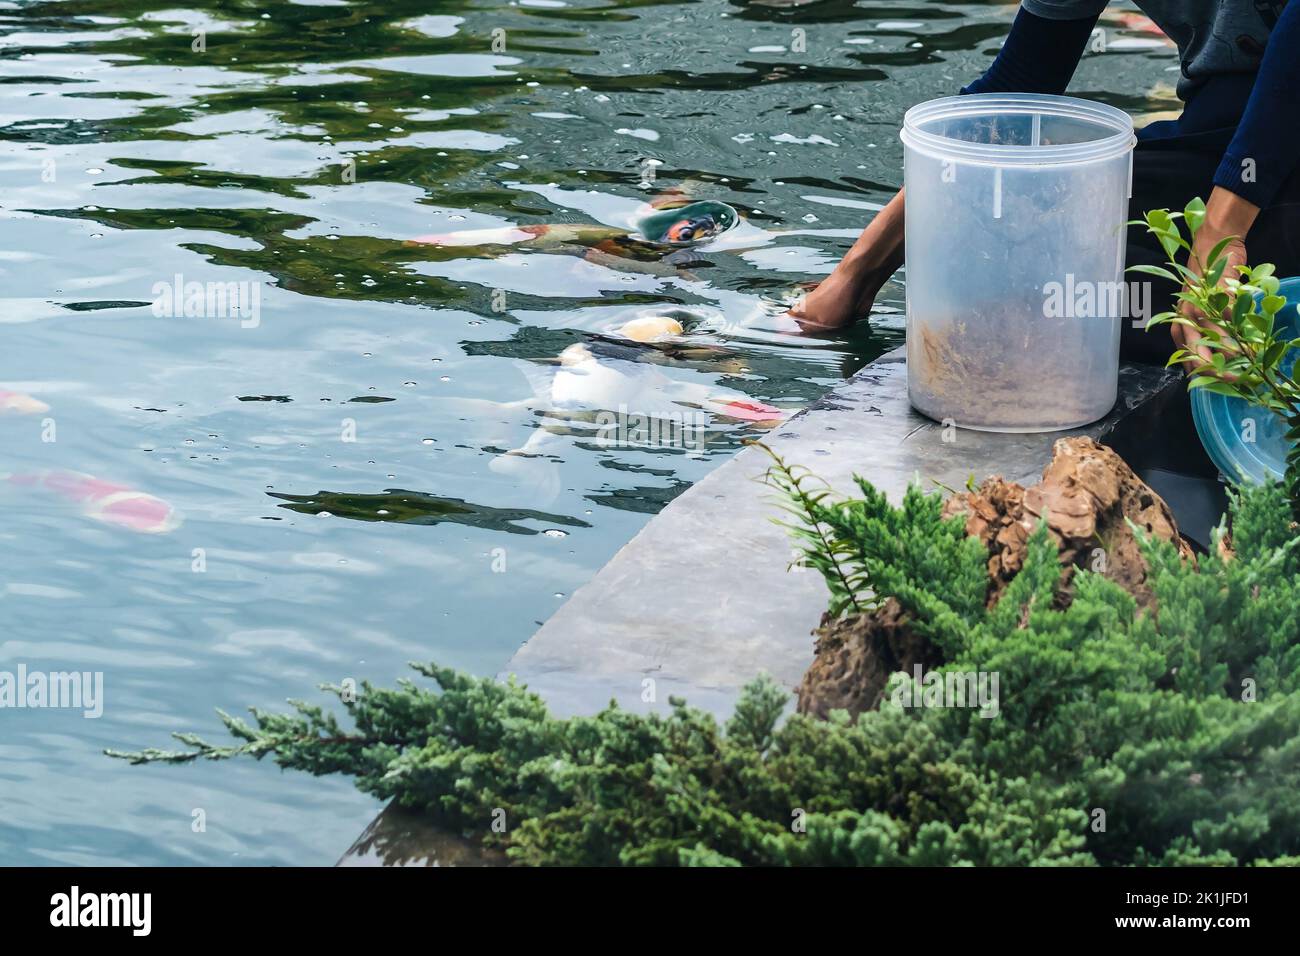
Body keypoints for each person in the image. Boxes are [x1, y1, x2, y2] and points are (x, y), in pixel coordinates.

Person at [792, 2, 1300, 367]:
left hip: (1272, 125)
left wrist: (1218, 241)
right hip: (1223, 121)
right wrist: (855, 276)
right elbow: (1019, 84)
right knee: (1008, 260)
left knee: (1064, 296)